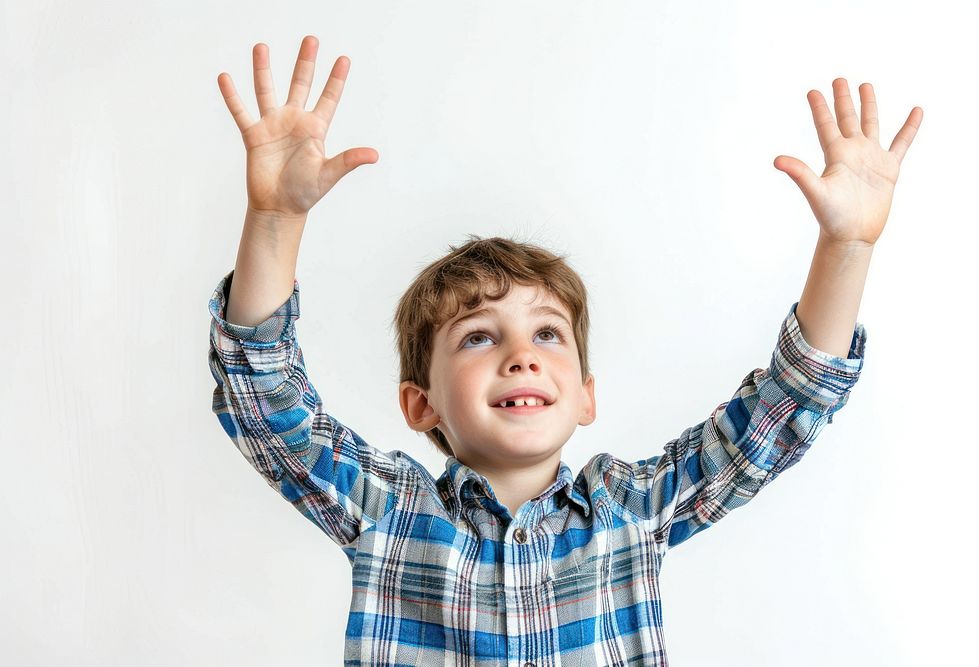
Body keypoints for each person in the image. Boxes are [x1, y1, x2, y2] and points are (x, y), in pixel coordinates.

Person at [207, 35, 922, 665]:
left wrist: (846, 245)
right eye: (479, 337)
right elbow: (265, 401)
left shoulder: (629, 510)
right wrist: (274, 216)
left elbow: (779, 412)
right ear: (420, 403)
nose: (521, 354)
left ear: (585, 393)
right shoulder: (387, 510)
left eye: (547, 333)